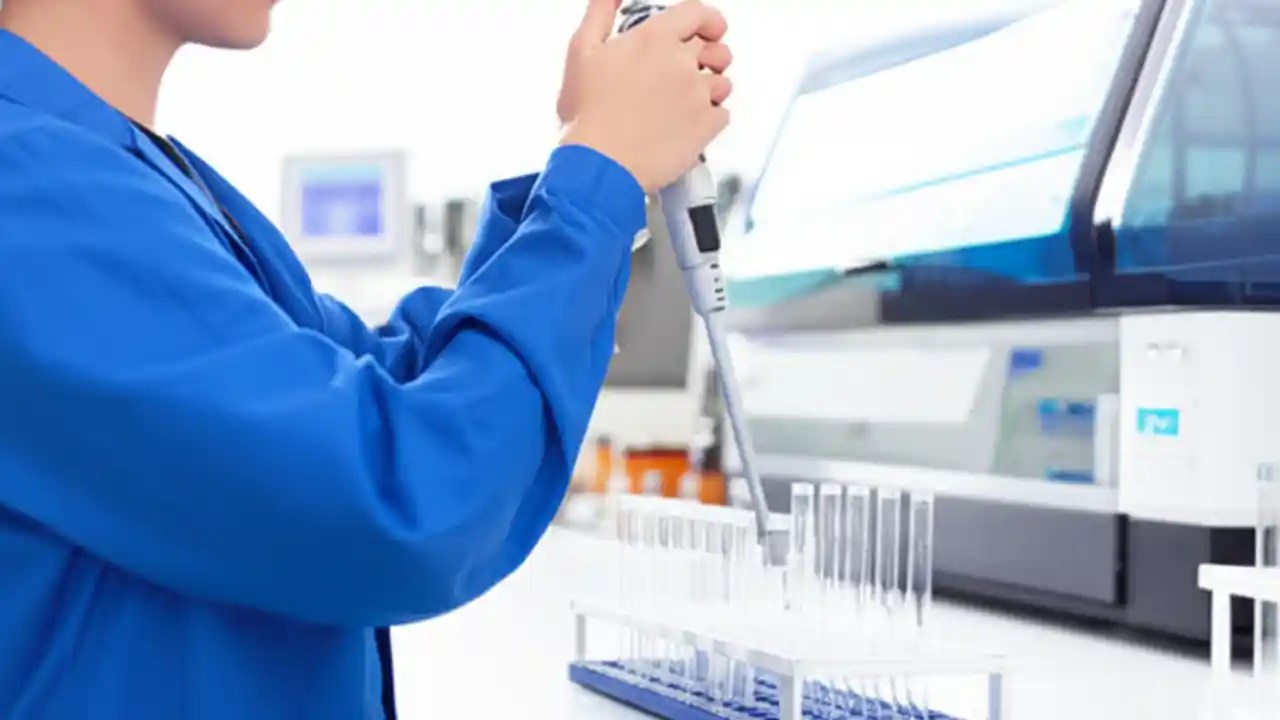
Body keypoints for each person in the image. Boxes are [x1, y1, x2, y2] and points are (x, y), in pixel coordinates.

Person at [0, 0, 733, 716]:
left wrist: (590, 154)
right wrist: (593, 181)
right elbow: (395, 492)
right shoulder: (27, 186)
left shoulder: (122, 174)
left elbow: (388, 380)